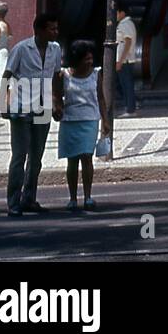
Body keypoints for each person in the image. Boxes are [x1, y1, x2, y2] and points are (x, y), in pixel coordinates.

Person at [1, 13, 62, 217]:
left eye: (56, 28)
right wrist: (3, 106)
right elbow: (6, 76)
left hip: (43, 107)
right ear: (39, 30)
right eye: (51, 29)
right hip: (21, 108)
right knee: (20, 155)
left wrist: (57, 103)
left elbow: (55, 77)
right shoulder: (21, 48)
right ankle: (13, 202)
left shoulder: (55, 49)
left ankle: (29, 198)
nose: (55, 32)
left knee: (37, 157)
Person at [53, 39, 110, 211]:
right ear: (77, 59)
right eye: (86, 59)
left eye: (91, 58)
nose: (90, 62)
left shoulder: (96, 74)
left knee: (87, 158)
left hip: (90, 120)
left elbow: (100, 98)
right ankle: (72, 198)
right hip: (70, 121)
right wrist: (57, 108)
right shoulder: (64, 75)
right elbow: (56, 95)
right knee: (72, 161)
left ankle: (88, 196)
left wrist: (105, 120)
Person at [114, 6, 138, 116]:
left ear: (122, 13)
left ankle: (130, 109)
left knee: (126, 84)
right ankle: (130, 105)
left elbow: (128, 41)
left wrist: (121, 60)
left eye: (117, 12)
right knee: (123, 84)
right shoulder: (126, 24)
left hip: (125, 61)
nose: (116, 15)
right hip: (124, 60)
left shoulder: (125, 24)